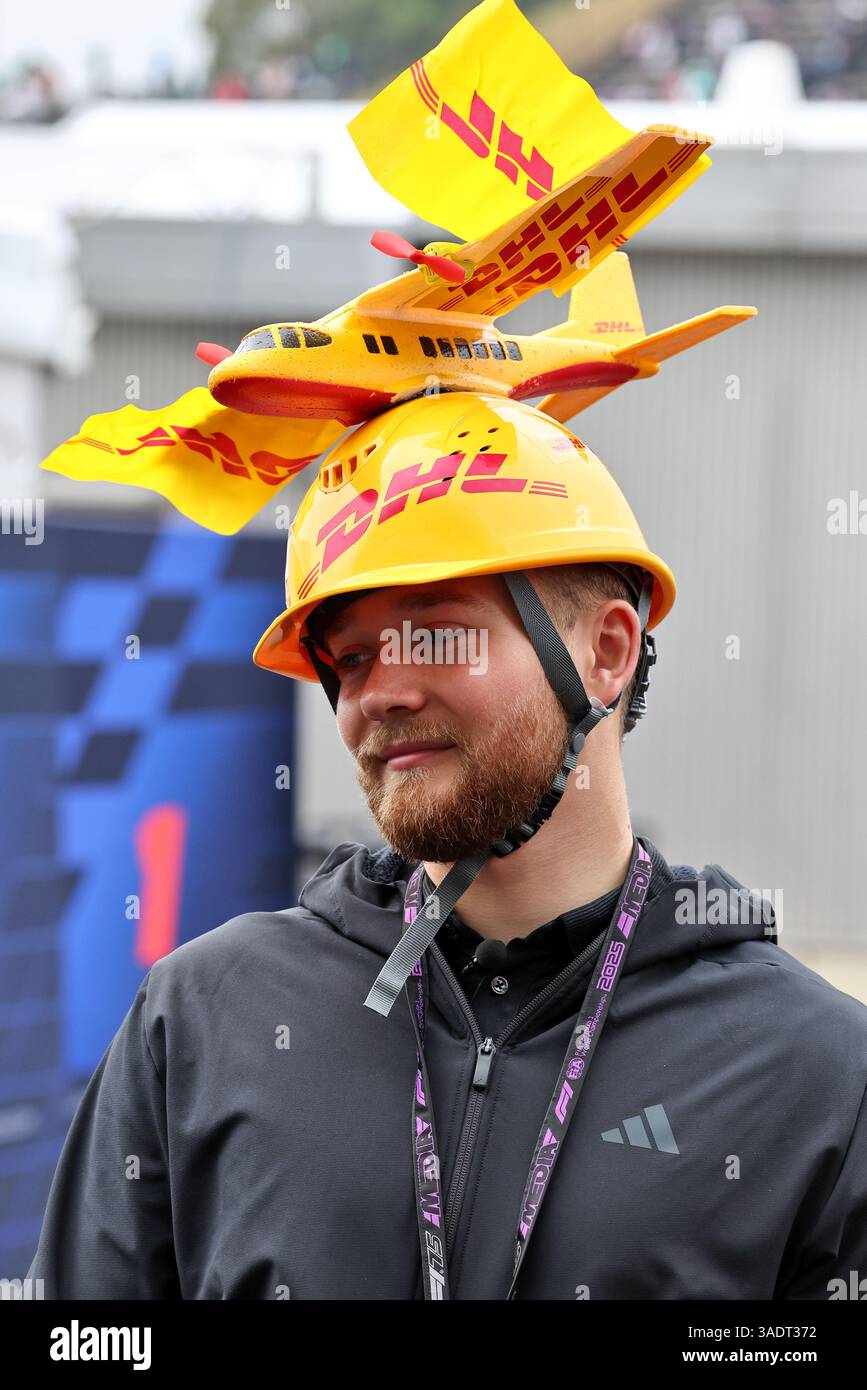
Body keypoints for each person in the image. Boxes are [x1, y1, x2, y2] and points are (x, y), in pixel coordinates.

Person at [27, 391, 867, 1300]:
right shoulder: (198, 1018)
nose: (376, 694)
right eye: (348, 658)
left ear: (607, 652)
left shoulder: (814, 1071)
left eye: (433, 632)